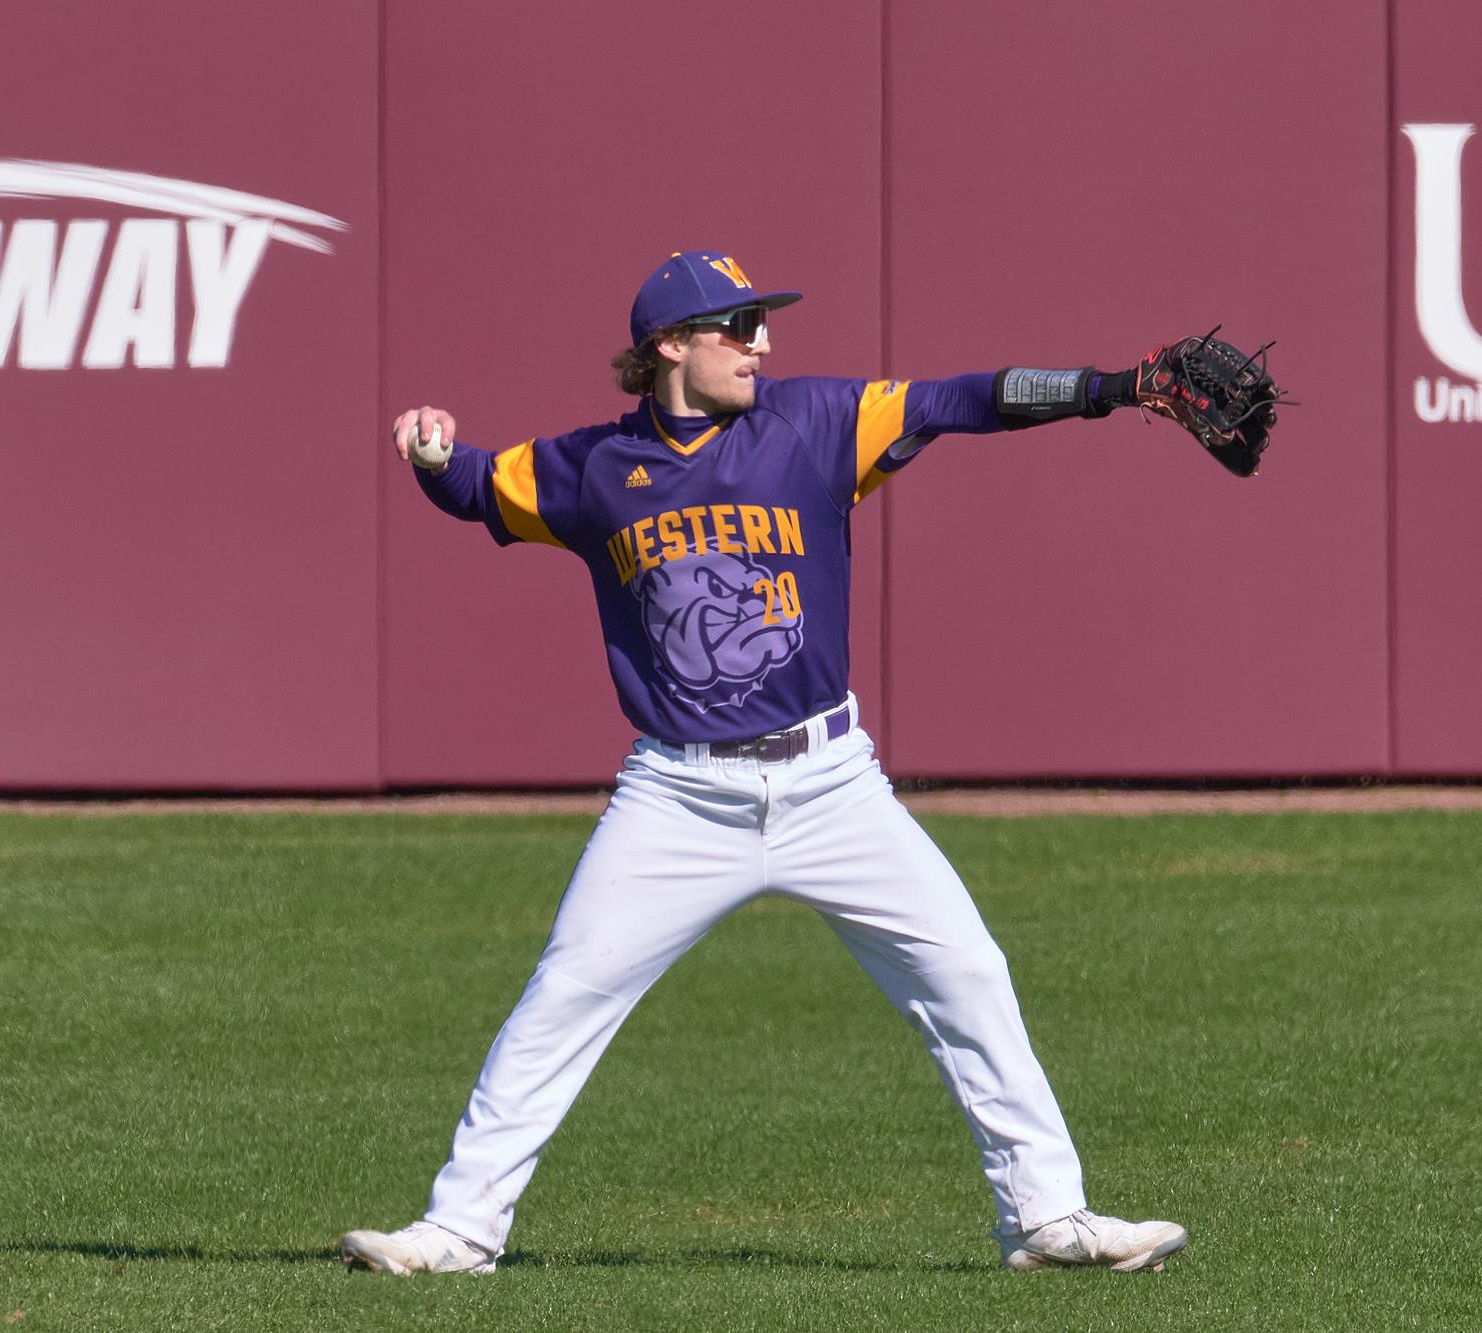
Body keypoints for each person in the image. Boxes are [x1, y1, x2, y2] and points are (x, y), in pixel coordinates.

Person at [338, 250, 1185, 1276]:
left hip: (832, 782)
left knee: (965, 971)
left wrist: (1108, 389)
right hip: (677, 794)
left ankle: (1048, 1219)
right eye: (737, 326)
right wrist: (432, 455)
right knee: (564, 996)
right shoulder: (594, 469)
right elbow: (480, 486)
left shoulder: (814, 424)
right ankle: (457, 1230)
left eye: (760, 324)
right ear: (668, 345)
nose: (762, 344)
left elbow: (966, 400)